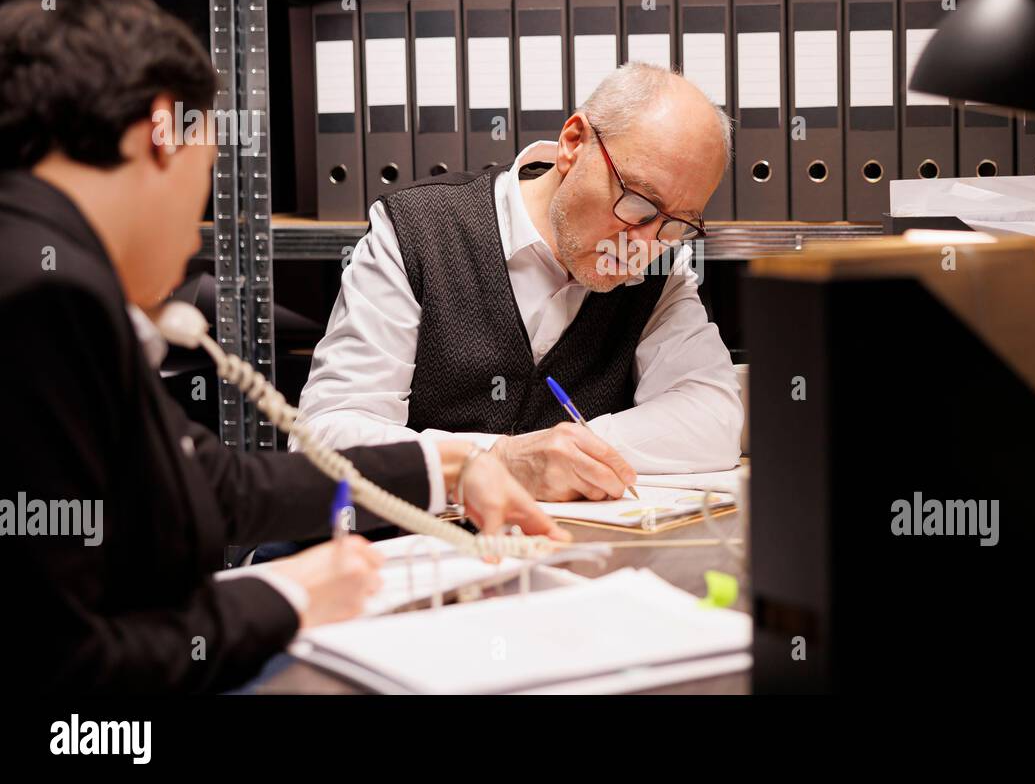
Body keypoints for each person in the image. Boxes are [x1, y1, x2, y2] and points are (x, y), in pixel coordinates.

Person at [0, 0, 566, 694]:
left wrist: (445, 465)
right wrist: (291, 596)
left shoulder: (43, 262)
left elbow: (211, 484)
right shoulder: (49, 298)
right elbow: (63, 667)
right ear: (159, 135)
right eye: (207, 180)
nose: (196, 229)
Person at [294, 63, 744, 501]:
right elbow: (326, 436)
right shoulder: (417, 230)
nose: (644, 244)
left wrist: (564, 452)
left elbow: (714, 419)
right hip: (406, 552)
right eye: (638, 202)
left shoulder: (660, 268)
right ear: (573, 143)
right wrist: (499, 462)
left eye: (677, 223)